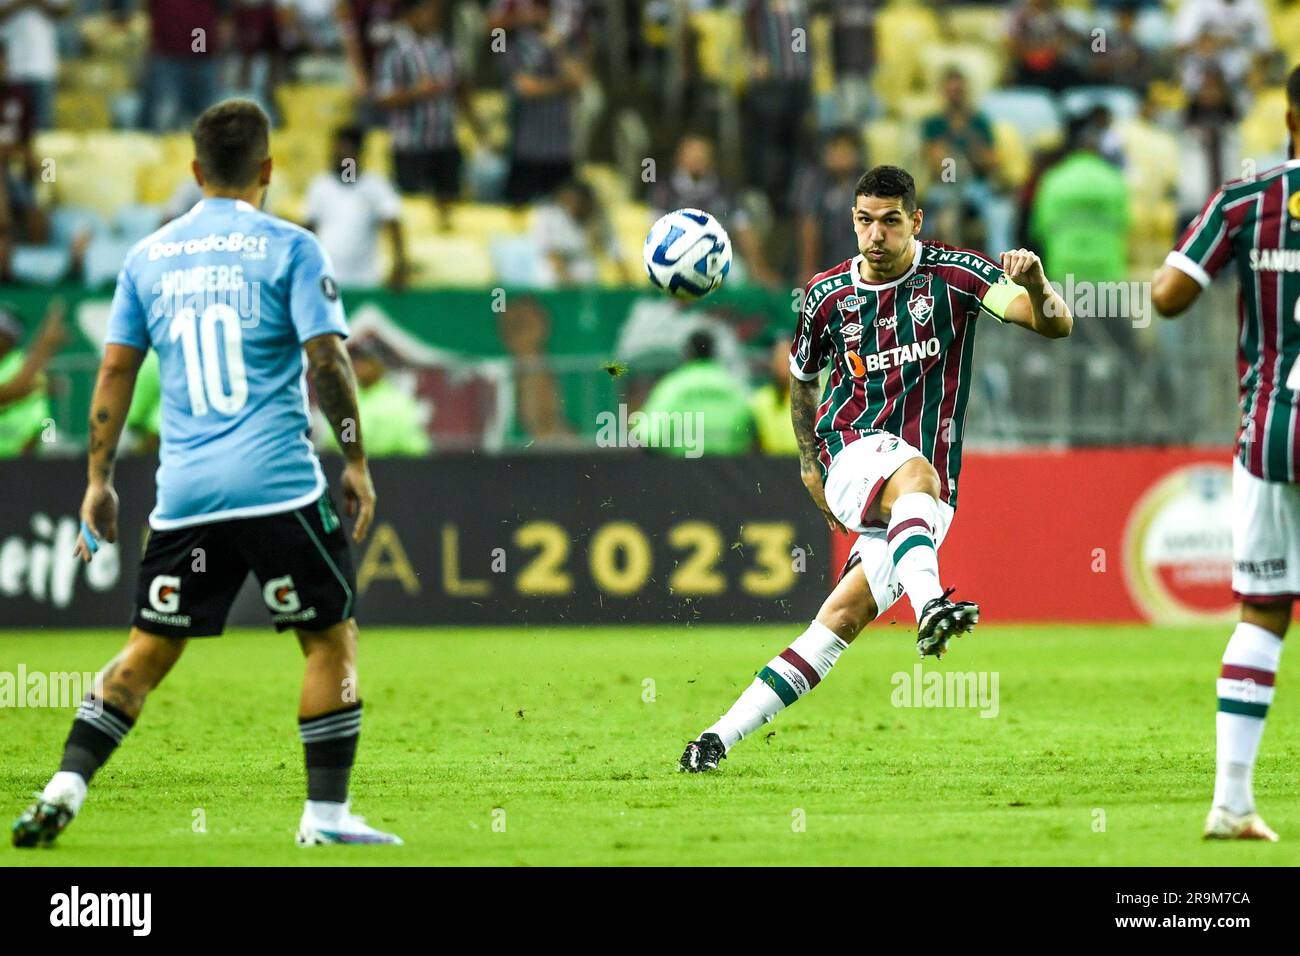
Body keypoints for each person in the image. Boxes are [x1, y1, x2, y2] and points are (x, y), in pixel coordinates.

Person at [11, 99, 401, 848]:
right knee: (329, 640)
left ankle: (64, 785)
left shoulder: (146, 258)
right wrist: (353, 457)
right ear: (267, 169)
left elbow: (116, 370)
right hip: (278, 487)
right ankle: (325, 819)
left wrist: (99, 480)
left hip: (184, 495)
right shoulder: (293, 247)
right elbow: (327, 360)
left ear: (193, 172)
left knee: (146, 652)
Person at [679, 165, 1073, 772]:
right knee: (915, 476)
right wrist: (810, 462)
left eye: (891, 222)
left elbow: (1053, 324)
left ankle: (714, 740)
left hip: (926, 497)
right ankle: (931, 605)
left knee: (840, 619)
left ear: (915, 221)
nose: (876, 236)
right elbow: (803, 381)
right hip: (851, 452)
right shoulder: (826, 295)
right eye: (865, 221)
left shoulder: (958, 276)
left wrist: (1040, 281)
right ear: (853, 221)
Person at [1150, 62, 1300, 844]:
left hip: (1271, 431)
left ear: (1288, 116)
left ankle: (1232, 803)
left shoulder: (1247, 199)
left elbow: (1168, 296)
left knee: (1264, 613)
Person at [372, 0, 479, 226]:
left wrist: (478, 127)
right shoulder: (395, 51)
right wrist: (417, 92)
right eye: (426, 11)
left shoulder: (446, 48)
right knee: (413, 209)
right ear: (411, 15)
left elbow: (461, 89)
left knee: (451, 205)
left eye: (435, 11)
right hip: (411, 146)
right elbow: (383, 96)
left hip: (445, 142)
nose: (433, 16)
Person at [650, 133, 779, 288]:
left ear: (711, 159)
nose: (697, 159)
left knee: (738, 277)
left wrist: (759, 268)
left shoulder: (725, 191)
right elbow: (653, 233)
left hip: (716, 258)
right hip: (675, 257)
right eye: (692, 153)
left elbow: (744, 230)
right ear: (679, 157)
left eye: (702, 154)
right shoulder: (664, 191)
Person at [921, 68, 1013, 258]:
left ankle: (1003, 269)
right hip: (945, 188)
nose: (956, 97)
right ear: (944, 93)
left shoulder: (979, 122)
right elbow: (939, 166)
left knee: (1000, 213)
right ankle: (951, 273)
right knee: (945, 220)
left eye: (959, 92)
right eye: (951, 92)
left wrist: (967, 141)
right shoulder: (933, 124)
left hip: (977, 187)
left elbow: (991, 160)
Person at [499, 0, 585, 205]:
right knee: (517, 211)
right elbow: (524, 88)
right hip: (526, 148)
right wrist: (562, 86)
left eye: (542, 8)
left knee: (564, 214)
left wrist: (557, 47)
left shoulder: (564, 43)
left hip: (560, 149)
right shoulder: (512, 43)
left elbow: (579, 80)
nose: (536, 14)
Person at [303, 125, 408, 290]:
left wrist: (399, 264)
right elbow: (309, 230)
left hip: (367, 279)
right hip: (328, 279)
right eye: (337, 151)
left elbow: (393, 224)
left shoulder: (376, 186)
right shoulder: (320, 186)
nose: (340, 156)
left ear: (358, 153)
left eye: (346, 151)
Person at [637, 330, 754, 457]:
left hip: (684, 469)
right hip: (734, 470)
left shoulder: (674, 386)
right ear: (714, 353)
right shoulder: (735, 386)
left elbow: (648, 435)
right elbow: (754, 428)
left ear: (688, 353)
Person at [321, 339, 431, 457]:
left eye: (366, 361)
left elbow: (415, 450)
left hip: (390, 470)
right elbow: (335, 445)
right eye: (355, 360)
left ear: (380, 365)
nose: (359, 366)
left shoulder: (398, 403)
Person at [791, 128, 864, 285]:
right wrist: (809, 271)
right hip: (822, 264)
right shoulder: (812, 179)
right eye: (835, 149)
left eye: (847, 150)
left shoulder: (867, 182)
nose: (841, 155)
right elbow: (808, 226)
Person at [530, 178, 628, 287]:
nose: (574, 204)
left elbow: (616, 253)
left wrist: (628, 286)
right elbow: (552, 255)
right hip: (553, 277)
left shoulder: (597, 219)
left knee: (588, 270)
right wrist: (569, 284)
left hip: (585, 277)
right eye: (570, 200)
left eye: (579, 201)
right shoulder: (547, 215)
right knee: (548, 274)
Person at [0, 298, 63, 456]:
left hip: (17, 460)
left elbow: (41, 418)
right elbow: (10, 393)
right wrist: (45, 344)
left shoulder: (20, 363)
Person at [0, 0, 67, 129]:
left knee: (42, 127)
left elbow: (64, 11)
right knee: (13, 126)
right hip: (12, 68)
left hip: (42, 65)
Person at [750, 333, 798, 455]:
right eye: (778, 356)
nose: (782, 363)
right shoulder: (759, 401)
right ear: (771, 362)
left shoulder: (819, 397)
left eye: (788, 357)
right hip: (770, 468)